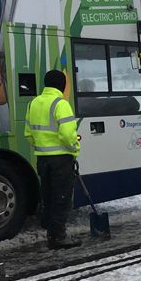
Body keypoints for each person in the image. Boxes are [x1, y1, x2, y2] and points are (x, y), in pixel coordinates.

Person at [24, 70, 81, 250]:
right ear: (62, 85)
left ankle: (51, 233)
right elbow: (67, 134)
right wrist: (74, 148)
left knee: (48, 196)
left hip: (43, 160)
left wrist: (42, 147)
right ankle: (58, 237)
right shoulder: (61, 104)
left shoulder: (33, 103)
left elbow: (28, 134)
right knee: (62, 198)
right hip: (61, 160)